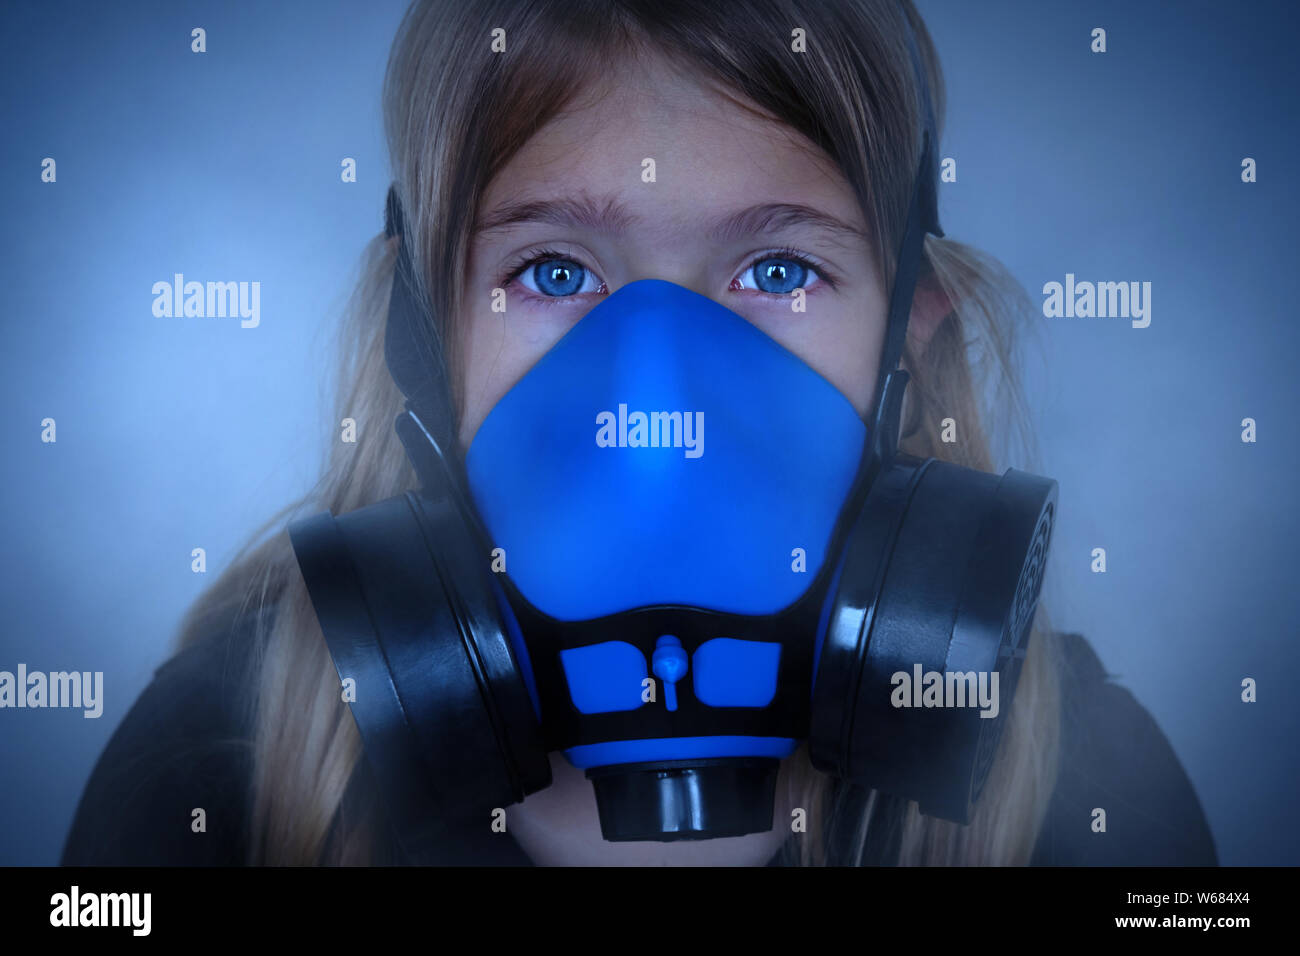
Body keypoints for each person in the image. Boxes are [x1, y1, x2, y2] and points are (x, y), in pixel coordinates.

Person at [62, 0, 1217, 867]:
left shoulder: (1072, 778)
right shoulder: (223, 754)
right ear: (426, 329)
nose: (658, 386)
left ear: (906, 334)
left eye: (779, 268)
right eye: (554, 269)